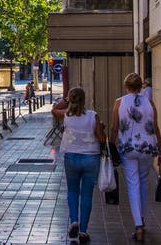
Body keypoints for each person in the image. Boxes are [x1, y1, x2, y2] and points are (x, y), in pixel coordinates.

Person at [109, 72, 161, 242]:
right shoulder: (150, 103)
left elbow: (114, 128)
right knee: (143, 182)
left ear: (126, 86)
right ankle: (142, 219)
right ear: (140, 86)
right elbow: (155, 128)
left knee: (133, 184)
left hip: (128, 148)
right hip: (147, 147)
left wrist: (110, 147)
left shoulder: (119, 103)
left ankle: (138, 225)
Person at [52, 86, 105, 242]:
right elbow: (102, 138)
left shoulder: (66, 115)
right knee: (87, 194)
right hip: (91, 157)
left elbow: (54, 110)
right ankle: (83, 230)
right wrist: (101, 128)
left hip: (71, 157)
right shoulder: (93, 116)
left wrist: (66, 100)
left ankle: (74, 220)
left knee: (72, 190)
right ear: (84, 99)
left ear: (71, 99)